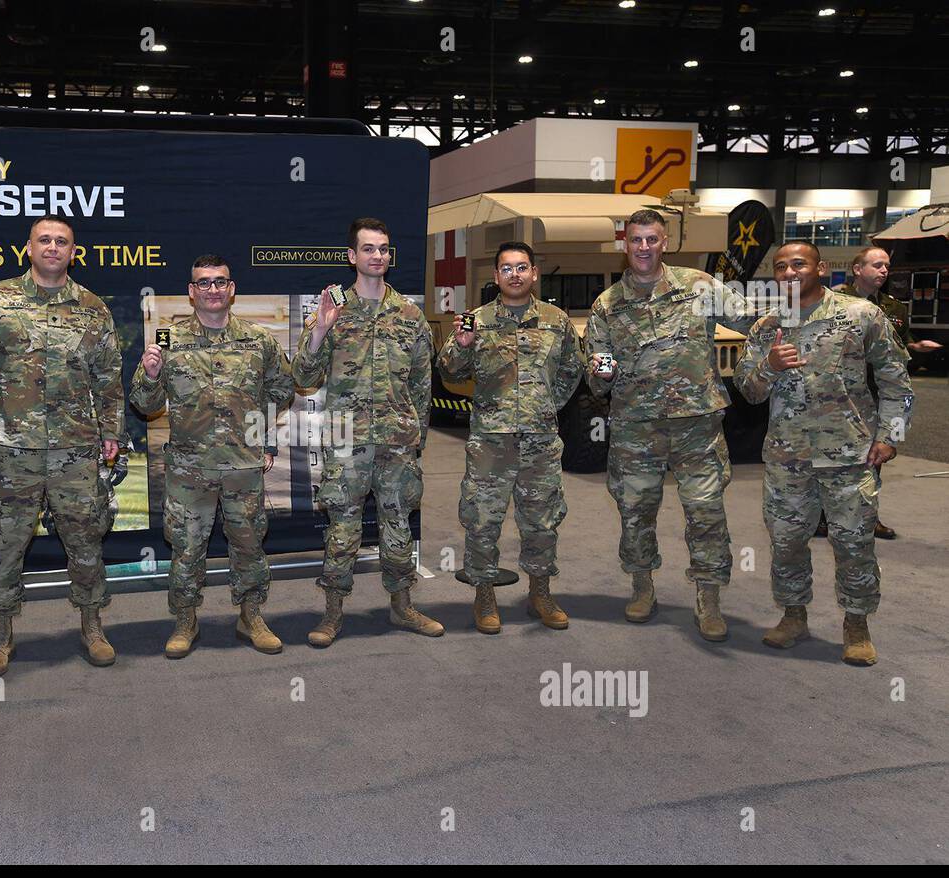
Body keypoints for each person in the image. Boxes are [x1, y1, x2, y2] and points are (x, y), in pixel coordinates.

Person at [0, 215, 125, 676]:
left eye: (61, 241)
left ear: (72, 251)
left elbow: (108, 380)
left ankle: (92, 625)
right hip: (15, 453)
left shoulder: (93, 308)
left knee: (85, 541)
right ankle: (1, 635)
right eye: (44, 240)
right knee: (5, 546)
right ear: (28, 247)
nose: (52, 247)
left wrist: (111, 433)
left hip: (76, 451)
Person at [733, 240, 913, 665]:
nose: (790, 272)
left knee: (853, 544)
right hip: (786, 457)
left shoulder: (860, 315)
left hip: (849, 455)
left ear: (820, 267)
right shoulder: (767, 327)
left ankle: (857, 624)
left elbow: (896, 379)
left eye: (799, 263)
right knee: (787, 541)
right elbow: (748, 391)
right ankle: (794, 616)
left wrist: (890, 436)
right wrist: (769, 366)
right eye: (781, 266)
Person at [585, 209, 758, 640]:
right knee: (636, 511)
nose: (644, 247)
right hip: (635, 428)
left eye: (652, 239)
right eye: (636, 239)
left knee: (706, 511)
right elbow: (598, 368)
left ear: (665, 243)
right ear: (625, 243)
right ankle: (642, 586)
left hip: (696, 425)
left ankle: (708, 597)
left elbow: (753, 322)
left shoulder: (699, 286)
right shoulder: (607, 305)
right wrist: (602, 375)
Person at [130, 255, 294, 658]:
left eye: (220, 281)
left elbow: (281, 392)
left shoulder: (259, 340)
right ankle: (185, 621)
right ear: (191, 292)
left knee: (249, 544)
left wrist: (260, 439)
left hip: (243, 468)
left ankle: (251, 616)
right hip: (190, 470)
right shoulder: (169, 341)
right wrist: (150, 375)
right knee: (186, 549)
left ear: (232, 289)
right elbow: (143, 403)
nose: (213, 289)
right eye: (203, 283)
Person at [291, 217, 442, 647]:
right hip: (347, 442)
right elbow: (302, 375)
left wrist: (417, 438)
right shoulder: (334, 310)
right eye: (369, 249)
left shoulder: (410, 314)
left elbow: (421, 384)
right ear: (352, 256)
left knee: (398, 525)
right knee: (343, 528)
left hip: (398, 442)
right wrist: (320, 328)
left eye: (384, 249)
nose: (378, 256)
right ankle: (333, 612)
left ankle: (403, 606)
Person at [437, 241, 584, 632]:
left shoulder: (557, 320)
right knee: (483, 520)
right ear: (496, 276)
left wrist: (546, 405)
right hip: (491, 441)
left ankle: (541, 593)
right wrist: (462, 347)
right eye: (506, 268)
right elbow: (449, 373)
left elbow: (572, 370)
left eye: (522, 267)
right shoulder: (475, 320)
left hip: (540, 440)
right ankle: (484, 595)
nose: (514, 274)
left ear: (534, 273)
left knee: (542, 520)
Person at [826, 245, 942, 540]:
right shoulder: (833, 304)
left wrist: (916, 346)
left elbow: (900, 344)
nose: (884, 271)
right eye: (877, 265)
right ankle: (824, 516)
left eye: (886, 266)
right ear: (857, 269)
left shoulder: (894, 308)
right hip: (841, 395)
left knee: (875, 455)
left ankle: (868, 516)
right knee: (830, 454)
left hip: (880, 394)